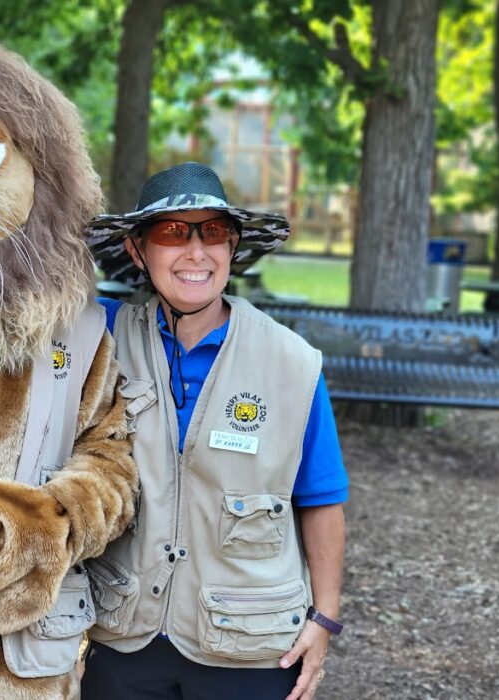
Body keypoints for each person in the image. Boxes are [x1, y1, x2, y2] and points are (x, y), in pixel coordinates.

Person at [81, 162, 348, 700]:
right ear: (137, 251)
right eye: (172, 232)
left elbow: (321, 499)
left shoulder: (292, 363)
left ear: (233, 248)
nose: (196, 252)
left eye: (214, 232)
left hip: (249, 645)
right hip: (123, 633)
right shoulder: (100, 337)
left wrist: (323, 620)